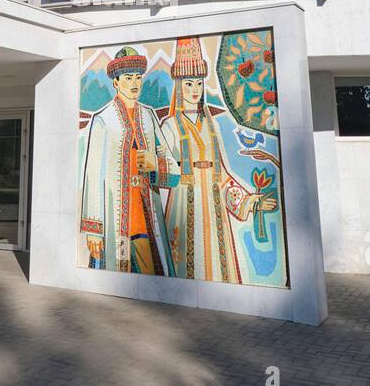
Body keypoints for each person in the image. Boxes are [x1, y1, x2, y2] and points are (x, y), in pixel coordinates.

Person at [158, 37, 278, 283]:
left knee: (218, 265)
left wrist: (249, 201)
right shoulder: (169, 126)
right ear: (178, 87)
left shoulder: (210, 125)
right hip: (184, 203)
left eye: (199, 84)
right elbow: (162, 172)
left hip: (214, 208)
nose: (194, 90)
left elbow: (222, 176)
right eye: (188, 83)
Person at [79, 46, 178, 275]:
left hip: (147, 216)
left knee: (152, 273)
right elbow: (93, 175)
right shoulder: (103, 119)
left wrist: (155, 163)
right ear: (116, 82)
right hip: (116, 218)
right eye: (127, 78)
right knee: (116, 272)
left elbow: (171, 166)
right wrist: (94, 229)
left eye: (138, 77)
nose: (134, 83)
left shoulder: (149, 116)